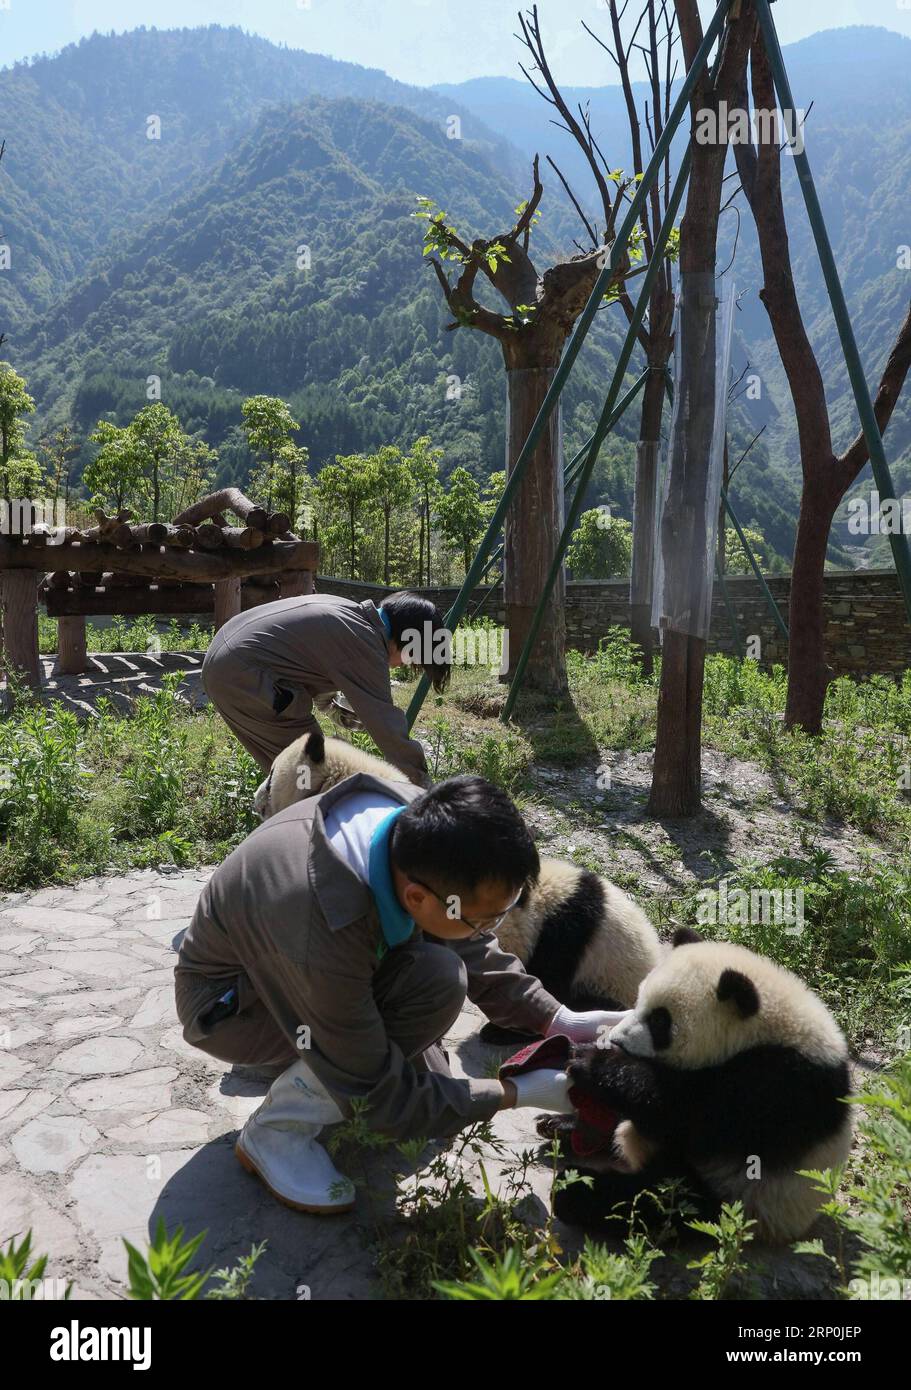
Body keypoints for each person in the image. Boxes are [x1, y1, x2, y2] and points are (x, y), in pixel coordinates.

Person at [174, 771, 627, 1213]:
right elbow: (382, 1099)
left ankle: (346, 1055)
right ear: (415, 899)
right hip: (234, 1010)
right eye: (484, 918)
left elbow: (467, 938)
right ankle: (278, 1131)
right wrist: (517, 1093)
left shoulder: (420, 825)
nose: (490, 929)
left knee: (438, 977)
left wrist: (557, 1018)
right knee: (393, 1069)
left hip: (310, 972)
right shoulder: (320, 932)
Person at [201, 590, 450, 786]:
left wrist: (333, 706)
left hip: (225, 658)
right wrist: (420, 783)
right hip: (242, 673)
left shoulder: (350, 614)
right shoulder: (365, 644)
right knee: (311, 769)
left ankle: (286, 813)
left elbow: (306, 660)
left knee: (295, 768)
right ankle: (301, 829)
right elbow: (386, 727)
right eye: (413, 659)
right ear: (406, 642)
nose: (404, 666)